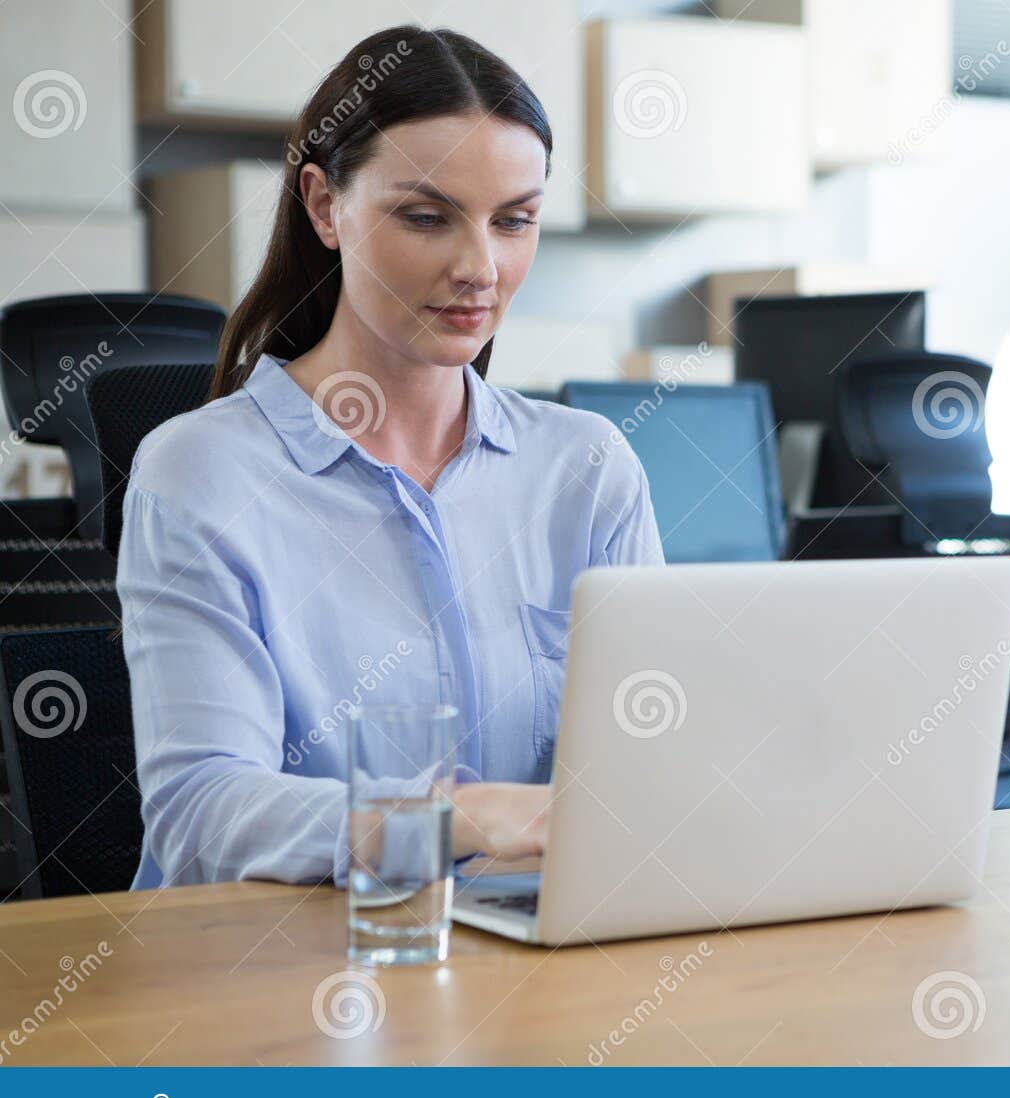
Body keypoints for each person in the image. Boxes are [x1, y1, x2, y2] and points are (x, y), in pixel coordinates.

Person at [117, 25, 663, 888]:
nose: (480, 267)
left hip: (530, 950)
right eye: (426, 217)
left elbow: (650, 769)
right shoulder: (200, 474)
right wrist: (445, 823)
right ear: (324, 206)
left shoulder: (588, 471)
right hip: (284, 960)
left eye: (514, 221)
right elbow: (200, 814)